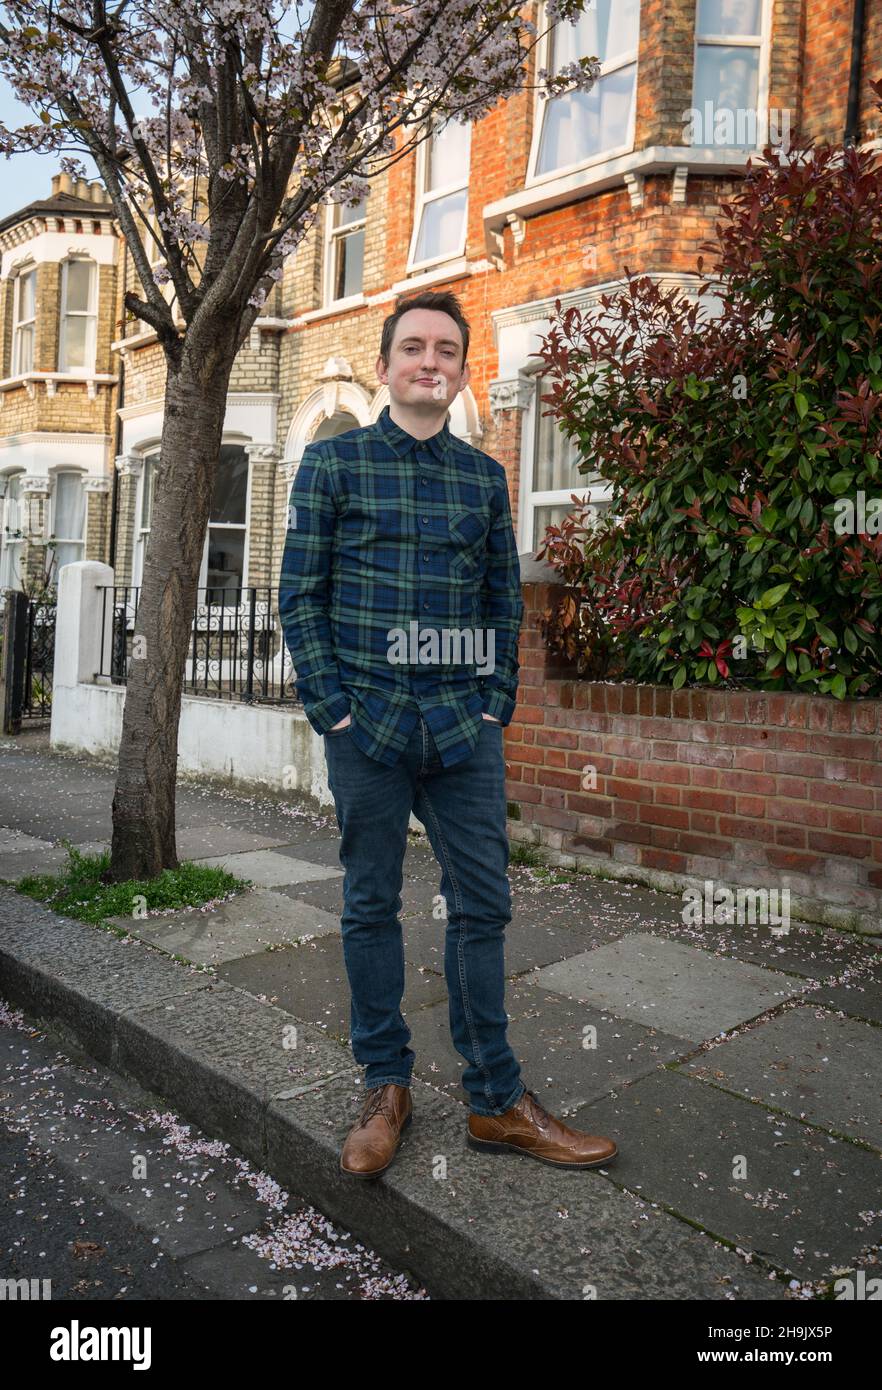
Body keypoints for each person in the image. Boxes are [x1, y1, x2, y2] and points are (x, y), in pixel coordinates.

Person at [279, 288, 618, 1178]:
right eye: (414, 348)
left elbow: (504, 606)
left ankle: (495, 1099)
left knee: (484, 906)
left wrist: (496, 703)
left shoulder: (483, 477)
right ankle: (385, 1087)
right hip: (370, 729)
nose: (429, 362)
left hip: (464, 733)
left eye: (446, 352)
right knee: (369, 905)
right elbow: (299, 599)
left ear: (463, 371)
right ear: (388, 363)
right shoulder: (334, 465)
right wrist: (335, 711)